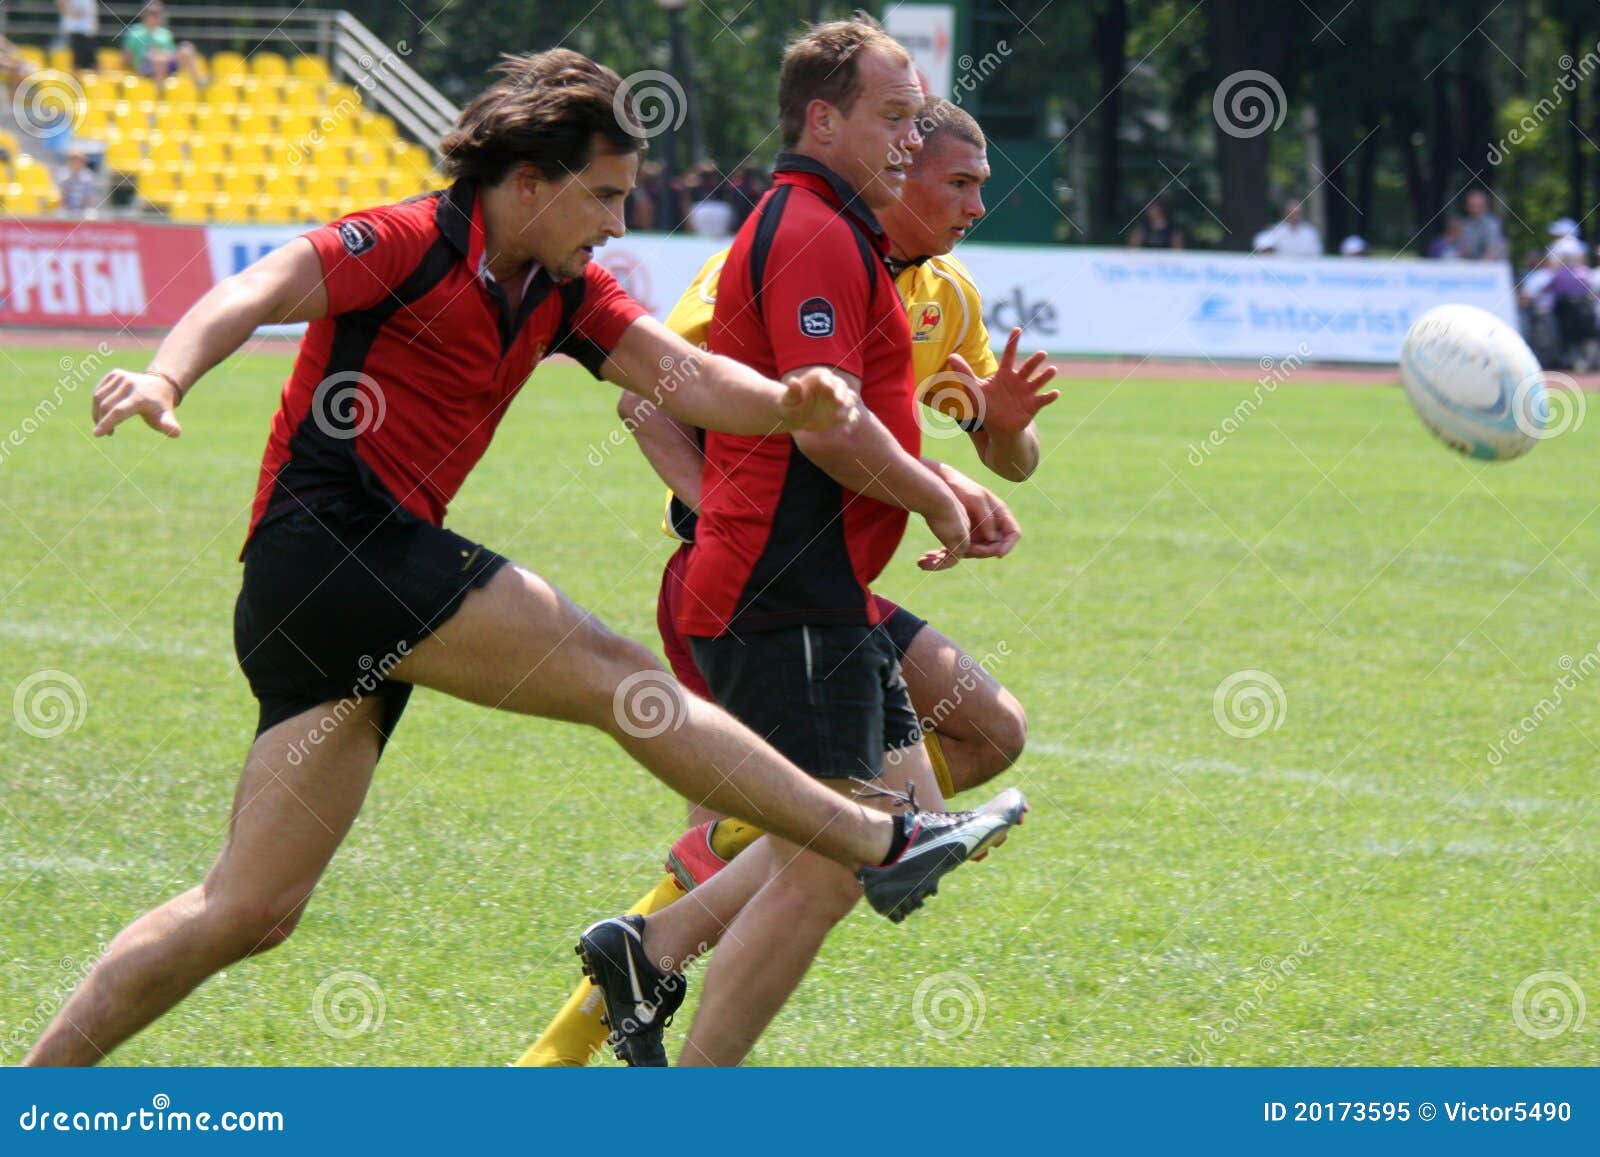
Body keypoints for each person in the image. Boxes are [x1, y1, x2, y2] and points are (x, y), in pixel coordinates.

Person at [22, 47, 1025, 1068]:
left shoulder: (561, 289)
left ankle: (39, 1091)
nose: (617, 222)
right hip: (335, 548)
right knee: (620, 676)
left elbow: (679, 373)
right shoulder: (408, 238)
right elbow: (260, 285)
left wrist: (783, 402)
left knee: (246, 907)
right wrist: (163, 376)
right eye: (602, 195)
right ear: (527, 182)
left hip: (326, 604)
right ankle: (877, 835)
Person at [519, 96, 1055, 1068]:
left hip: (836, 589)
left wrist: (997, 432)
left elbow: (1005, 455)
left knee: (979, 736)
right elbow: (652, 394)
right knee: (812, 844)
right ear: (895, 169)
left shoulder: (946, 295)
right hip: (746, 582)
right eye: (958, 182)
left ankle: (648, 948)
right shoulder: (781, 257)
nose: (979, 203)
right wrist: (726, 507)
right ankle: (590, 1033)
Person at [121, 1, 204, 87]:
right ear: (144, 15)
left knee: (187, 49)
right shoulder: (135, 32)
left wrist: (162, 54)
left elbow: (171, 52)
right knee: (159, 59)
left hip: (167, 64)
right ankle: (159, 94)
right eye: (152, 13)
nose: (155, 16)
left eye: (158, 13)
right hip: (145, 68)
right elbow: (126, 56)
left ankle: (199, 85)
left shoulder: (165, 33)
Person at [1256, 198, 1321, 257]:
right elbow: (1262, 244)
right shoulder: (1276, 230)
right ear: (1285, 213)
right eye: (1291, 213)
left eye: (1297, 213)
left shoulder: (1310, 232)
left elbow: (1316, 254)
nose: (1294, 216)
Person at [1457, 188, 1506, 262]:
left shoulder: (1492, 224)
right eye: (1472, 206)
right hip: (1472, 266)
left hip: (1491, 267)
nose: (1475, 209)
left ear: (1485, 206)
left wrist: (1480, 268)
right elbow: (1462, 250)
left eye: (1478, 206)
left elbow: (1492, 250)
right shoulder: (1465, 225)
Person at [56, 146, 98, 215]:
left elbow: (89, 198)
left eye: (78, 161)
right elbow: (61, 197)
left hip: (83, 209)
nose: (76, 163)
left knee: (90, 215)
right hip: (67, 209)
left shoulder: (88, 177)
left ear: (83, 163)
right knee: (60, 214)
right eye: (73, 161)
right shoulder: (63, 175)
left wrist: (84, 210)